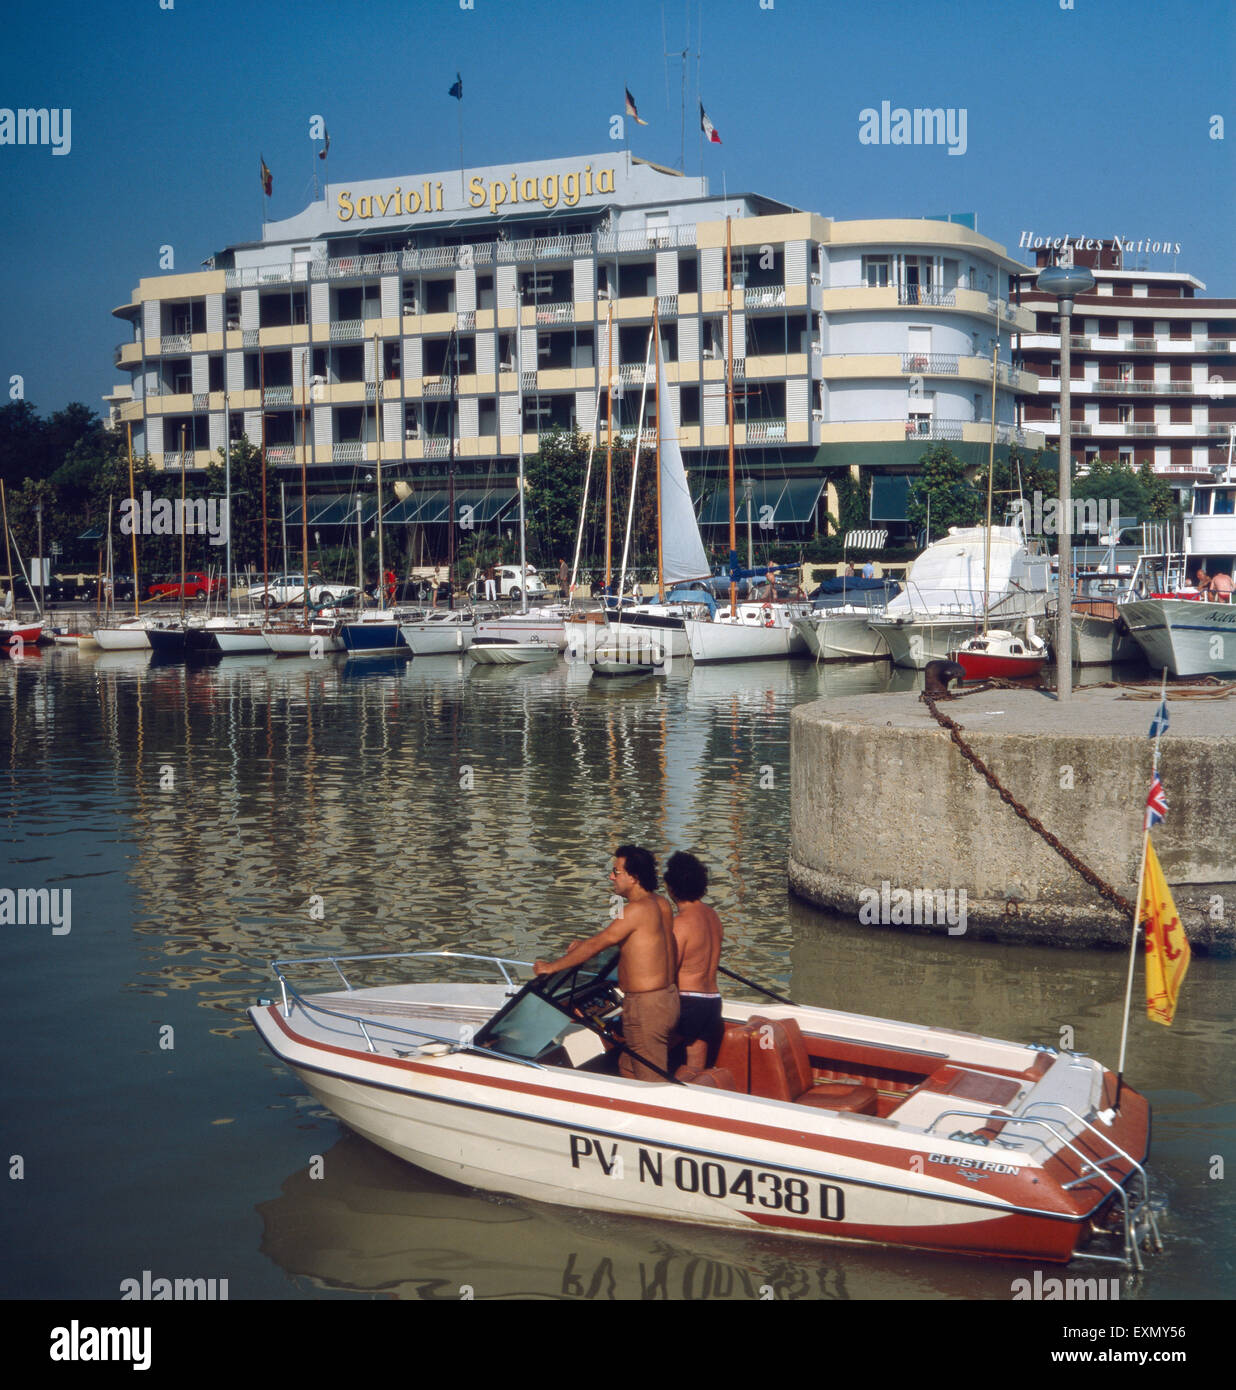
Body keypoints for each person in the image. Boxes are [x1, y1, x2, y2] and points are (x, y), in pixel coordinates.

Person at [534, 845, 677, 1082]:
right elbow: (640, 943)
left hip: (646, 1007)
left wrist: (552, 967)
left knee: (652, 1084)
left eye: (616, 872)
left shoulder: (635, 911)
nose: (611, 877)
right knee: (628, 1066)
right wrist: (588, 944)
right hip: (667, 999)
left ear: (633, 877)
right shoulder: (661, 904)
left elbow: (598, 944)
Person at [664, 852, 724, 1072]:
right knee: (695, 1070)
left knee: (645, 1055)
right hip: (712, 1001)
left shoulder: (680, 923)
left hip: (688, 1001)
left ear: (671, 887)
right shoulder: (712, 916)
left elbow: (669, 970)